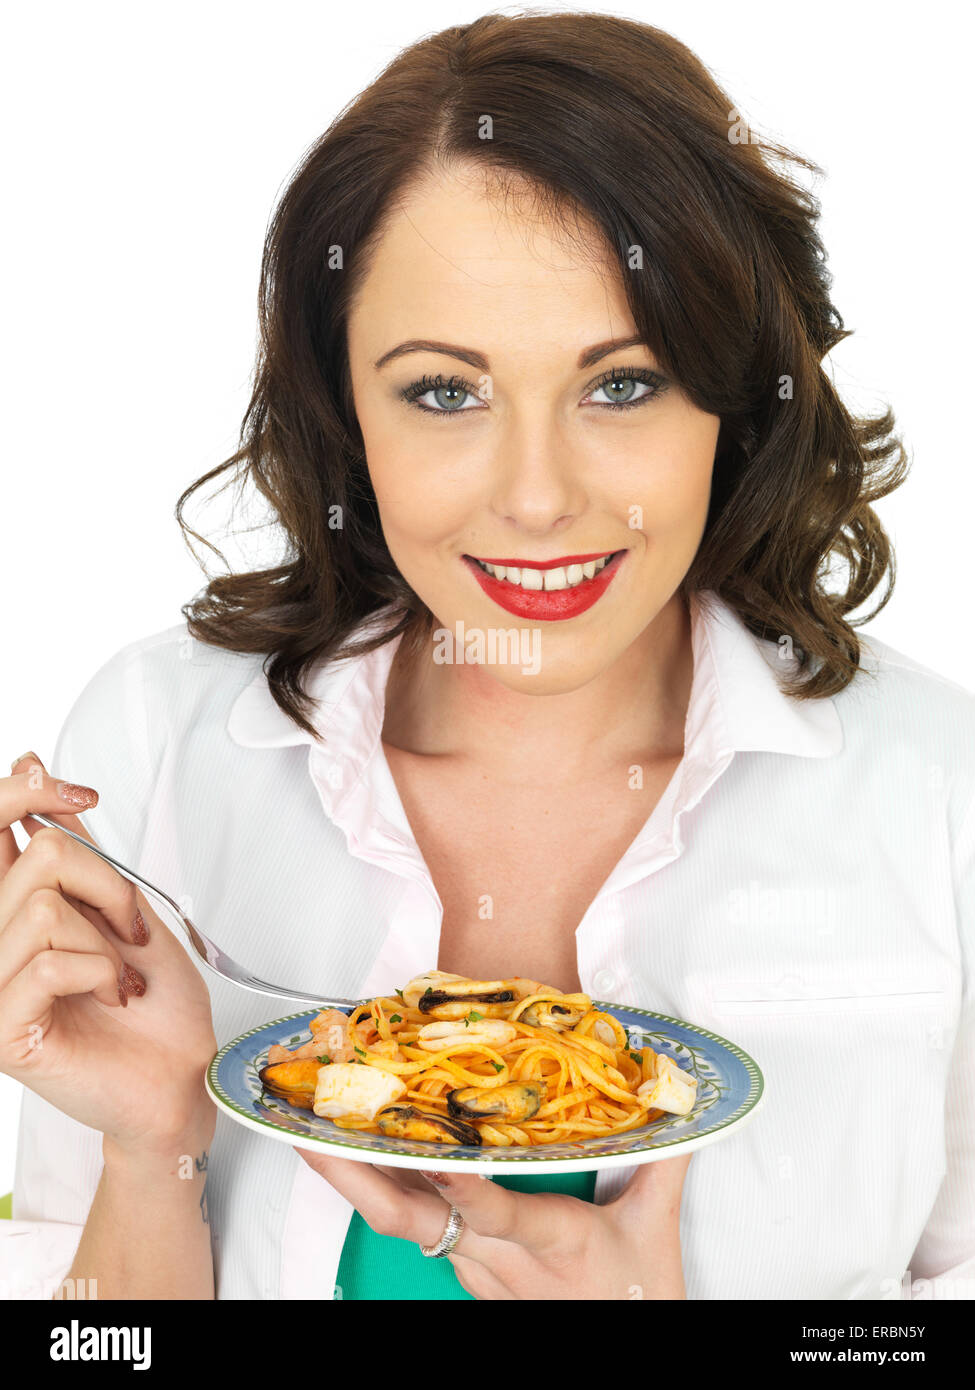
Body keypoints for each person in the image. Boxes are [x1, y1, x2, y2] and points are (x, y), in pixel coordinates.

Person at [2, 12, 972, 1301]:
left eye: (622, 384)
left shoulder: (936, 787)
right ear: (344, 410)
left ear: (731, 398)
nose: (533, 498)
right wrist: (150, 1150)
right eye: (445, 392)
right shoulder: (155, 750)